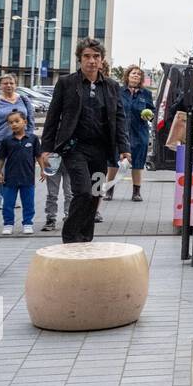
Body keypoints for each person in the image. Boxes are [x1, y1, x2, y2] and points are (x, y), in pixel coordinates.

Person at [40, 39, 130, 244]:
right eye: (87, 56)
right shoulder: (66, 83)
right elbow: (53, 117)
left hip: (100, 150)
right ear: (79, 59)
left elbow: (120, 117)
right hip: (74, 148)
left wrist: (124, 148)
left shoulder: (111, 86)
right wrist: (46, 149)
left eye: (96, 57)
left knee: (96, 193)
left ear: (102, 60)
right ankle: (70, 237)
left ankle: (85, 238)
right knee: (82, 191)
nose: (91, 61)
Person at [0, 73, 34, 210]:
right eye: (5, 83)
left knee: (13, 172)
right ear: (0, 85)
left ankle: (10, 199)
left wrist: (29, 137)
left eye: (11, 83)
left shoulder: (24, 100)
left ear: (16, 84)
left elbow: (30, 119)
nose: (8, 85)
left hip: (19, 142)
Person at [0, 110, 44, 235]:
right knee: (8, 204)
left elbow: (38, 156)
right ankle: (8, 224)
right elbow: (1, 158)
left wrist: (43, 170)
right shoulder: (7, 140)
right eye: (11, 123)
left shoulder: (32, 139)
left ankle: (28, 223)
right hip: (10, 178)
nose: (14, 124)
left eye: (17, 121)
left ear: (25, 122)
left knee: (28, 203)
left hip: (28, 178)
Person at [115, 65, 154, 202]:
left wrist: (149, 116)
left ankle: (136, 192)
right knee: (113, 161)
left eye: (138, 74)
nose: (136, 75)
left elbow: (152, 113)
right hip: (120, 132)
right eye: (133, 73)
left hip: (139, 132)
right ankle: (108, 190)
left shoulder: (146, 94)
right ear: (127, 76)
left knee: (138, 163)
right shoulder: (118, 91)